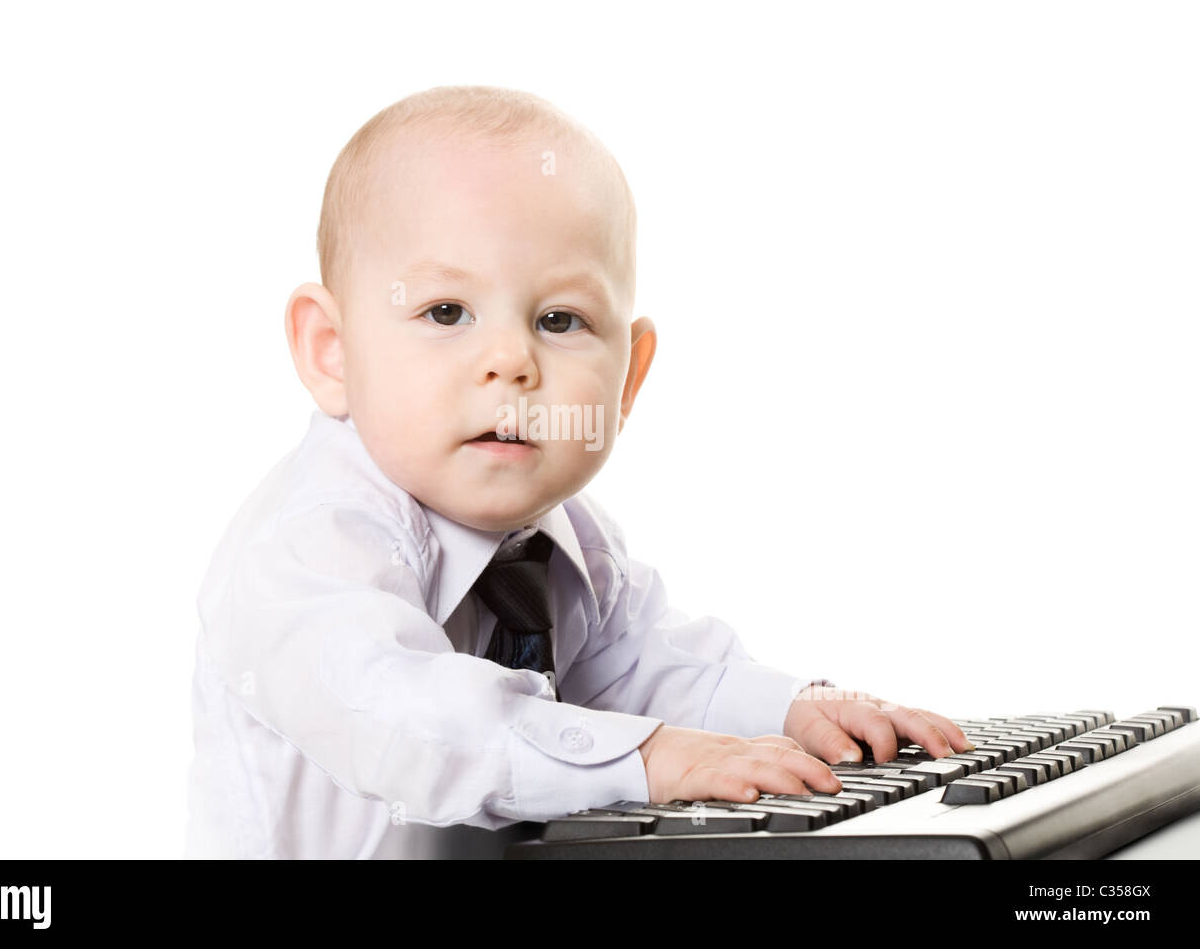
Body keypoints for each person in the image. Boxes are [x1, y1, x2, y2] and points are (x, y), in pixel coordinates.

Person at [185, 84, 974, 858]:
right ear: (333, 351)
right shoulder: (309, 545)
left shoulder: (571, 546)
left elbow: (653, 668)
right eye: (446, 312)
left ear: (628, 379)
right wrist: (651, 756)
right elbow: (407, 718)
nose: (510, 362)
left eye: (559, 320)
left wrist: (799, 708)